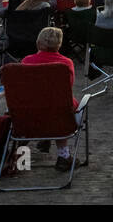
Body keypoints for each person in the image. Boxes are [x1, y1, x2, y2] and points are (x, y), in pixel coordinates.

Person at [20, 26, 81, 168]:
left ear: (38, 42)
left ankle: (20, 159)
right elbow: (66, 89)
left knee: (38, 104)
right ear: (59, 44)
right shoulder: (65, 63)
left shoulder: (27, 61)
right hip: (57, 114)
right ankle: (63, 155)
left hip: (29, 114)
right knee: (63, 105)